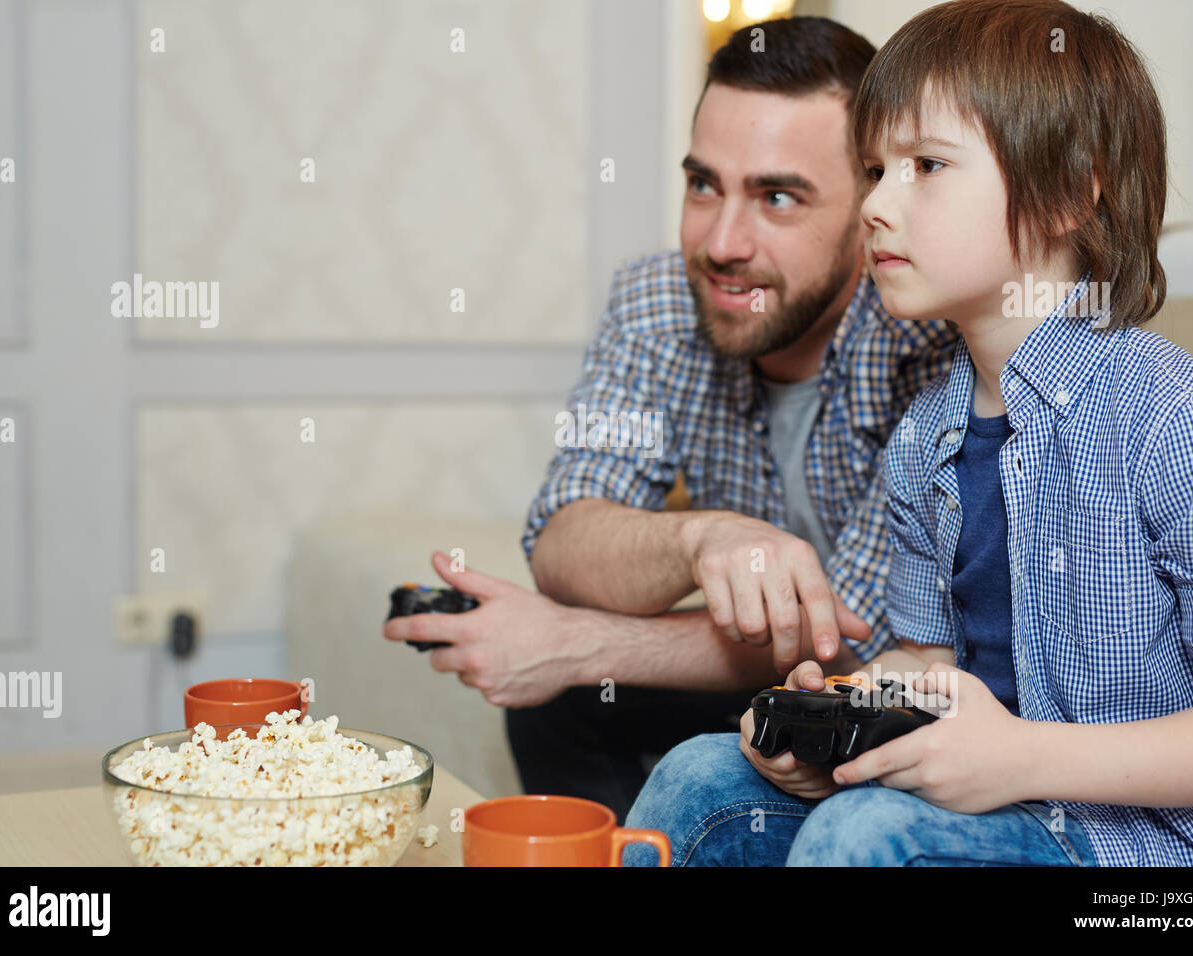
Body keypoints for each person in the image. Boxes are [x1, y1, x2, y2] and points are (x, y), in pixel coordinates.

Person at [626, 0, 1193, 865]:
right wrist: (849, 721)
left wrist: (1024, 759)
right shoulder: (926, 437)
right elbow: (926, 658)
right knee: (702, 778)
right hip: (978, 804)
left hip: (1141, 858)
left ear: (1070, 190)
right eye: (874, 169)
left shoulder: (1184, 428)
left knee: (871, 832)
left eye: (925, 166)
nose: (877, 205)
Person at [384, 17, 957, 823]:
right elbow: (564, 535)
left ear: (873, 206)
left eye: (778, 197)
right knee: (562, 702)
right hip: (762, 684)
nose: (721, 242)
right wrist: (703, 537)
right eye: (702, 185)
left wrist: (574, 643)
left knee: (585, 669)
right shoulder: (658, 303)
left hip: (891, 697)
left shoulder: (931, 336)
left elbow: (861, 634)